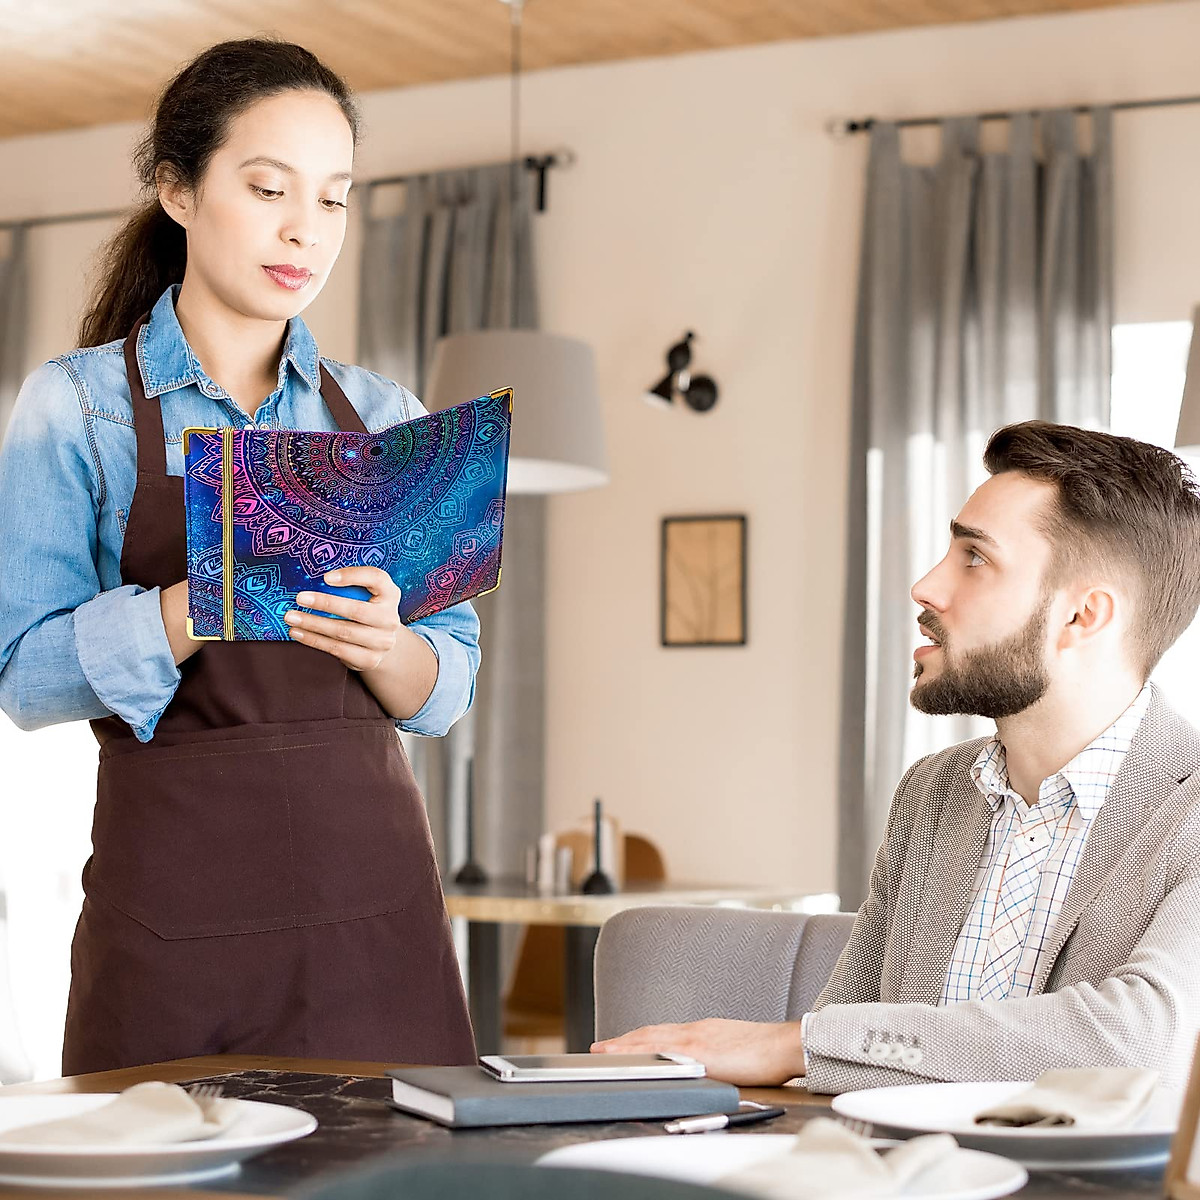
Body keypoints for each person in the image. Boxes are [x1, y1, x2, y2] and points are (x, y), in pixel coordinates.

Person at [0, 38, 478, 1073]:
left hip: (376, 918)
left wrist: (385, 640)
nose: (305, 229)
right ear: (176, 187)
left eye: (335, 199)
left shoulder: (383, 415)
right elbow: (26, 678)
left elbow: (447, 684)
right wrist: (198, 599)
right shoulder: (75, 407)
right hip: (174, 922)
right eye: (268, 188)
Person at [594, 421, 1200, 1093]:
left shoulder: (1191, 806)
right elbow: (840, 1050)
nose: (926, 587)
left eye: (974, 558)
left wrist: (790, 1042)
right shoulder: (935, 792)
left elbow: (1144, 1041)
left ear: (1082, 617)